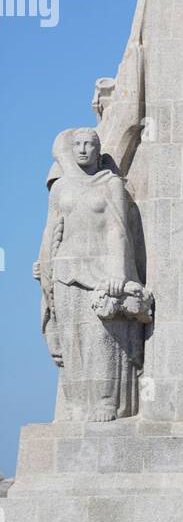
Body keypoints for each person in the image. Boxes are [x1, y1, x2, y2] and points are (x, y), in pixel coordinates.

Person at [34, 127, 152, 421]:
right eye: (78, 144)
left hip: (101, 272)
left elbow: (118, 230)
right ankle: (76, 403)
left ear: (99, 151)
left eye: (90, 144)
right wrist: (43, 263)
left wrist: (119, 271)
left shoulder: (111, 184)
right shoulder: (61, 188)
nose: (83, 149)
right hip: (65, 271)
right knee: (73, 341)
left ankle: (105, 401)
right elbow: (51, 230)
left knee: (101, 339)